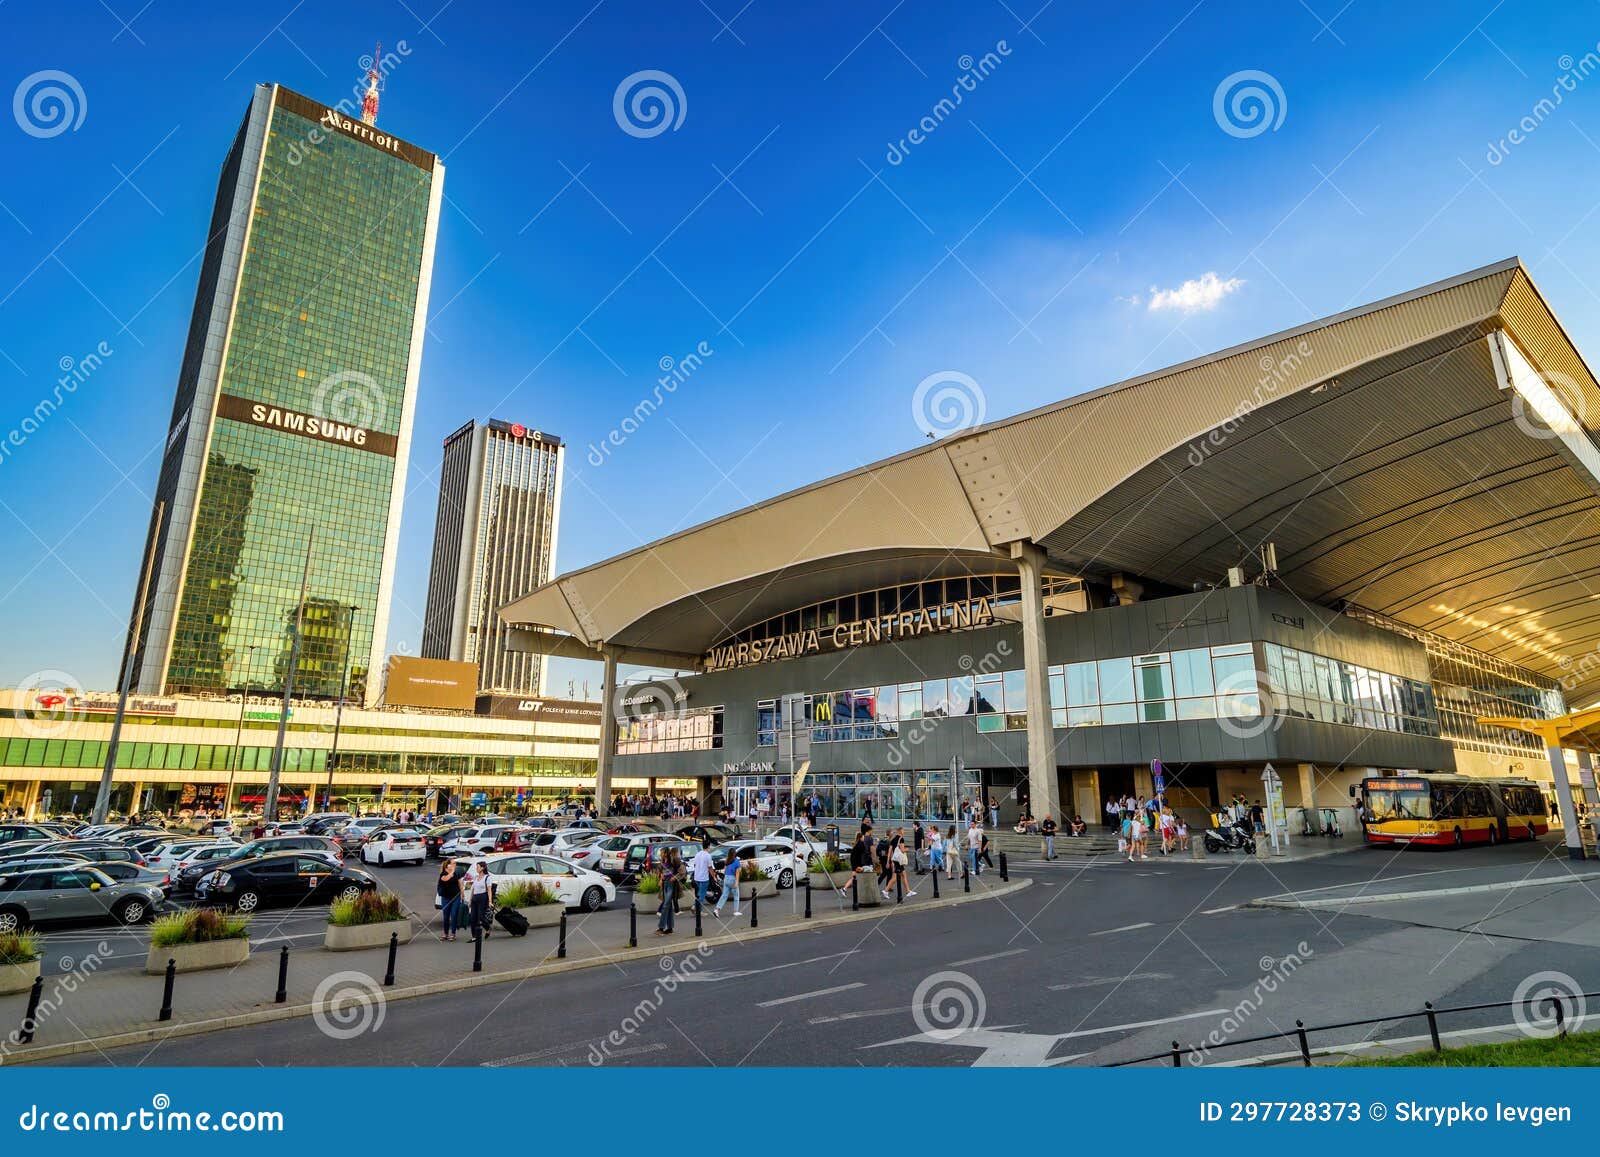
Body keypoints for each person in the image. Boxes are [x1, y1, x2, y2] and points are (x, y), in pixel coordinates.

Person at [436, 856, 465, 942]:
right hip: (446, 898)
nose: (455, 865)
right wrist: (451, 871)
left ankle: (453, 933)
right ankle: (445, 933)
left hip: (456, 897)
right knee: (446, 916)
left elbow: (460, 884)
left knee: (453, 915)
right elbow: (446, 879)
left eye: (455, 863)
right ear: (448, 865)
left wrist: (462, 894)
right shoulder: (443, 874)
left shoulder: (457, 873)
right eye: (453, 863)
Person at [655, 848, 683, 935]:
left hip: (671, 884)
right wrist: (660, 876)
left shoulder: (674, 860)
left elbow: (682, 870)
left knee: (665, 904)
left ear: (666, 853)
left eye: (662, 852)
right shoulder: (662, 861)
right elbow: (659, 871)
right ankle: (670, 928)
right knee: (669, 906)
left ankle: (661, 928)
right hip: (665, 884)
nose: (660, 854)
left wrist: (675, 877)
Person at [714, 844, 743, 918]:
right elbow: (737, 873)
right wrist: (736, 882)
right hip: (732, 879)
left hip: (726, 878)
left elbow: (725, 870)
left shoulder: (727, 861)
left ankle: (717, 909)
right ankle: (736, 911)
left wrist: (724, 879)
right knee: (736, 895)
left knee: (724, 895)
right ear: (735, 854)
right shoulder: (737, 861)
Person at [466, 860, 493, 938]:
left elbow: (489, 890)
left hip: (482, 898)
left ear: (483, 868)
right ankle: (474, 936)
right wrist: (470, 900)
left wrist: (490, 901)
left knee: (480, 917)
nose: (476, 868)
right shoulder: (475, 877)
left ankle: (488, 928)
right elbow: (473, 889)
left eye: (477, 867)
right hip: (475, 898)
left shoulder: (487, 877)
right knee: (472, 918)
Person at [690, 838, 714, 911]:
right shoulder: (708, 855)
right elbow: (710, 868)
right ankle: (697, 909)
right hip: (704, 878)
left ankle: (695, 906)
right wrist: (714, 877)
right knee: (702, 895)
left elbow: (695, 865)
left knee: (700, 893)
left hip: (697, 877)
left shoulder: (697, 854)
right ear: (709, 846)